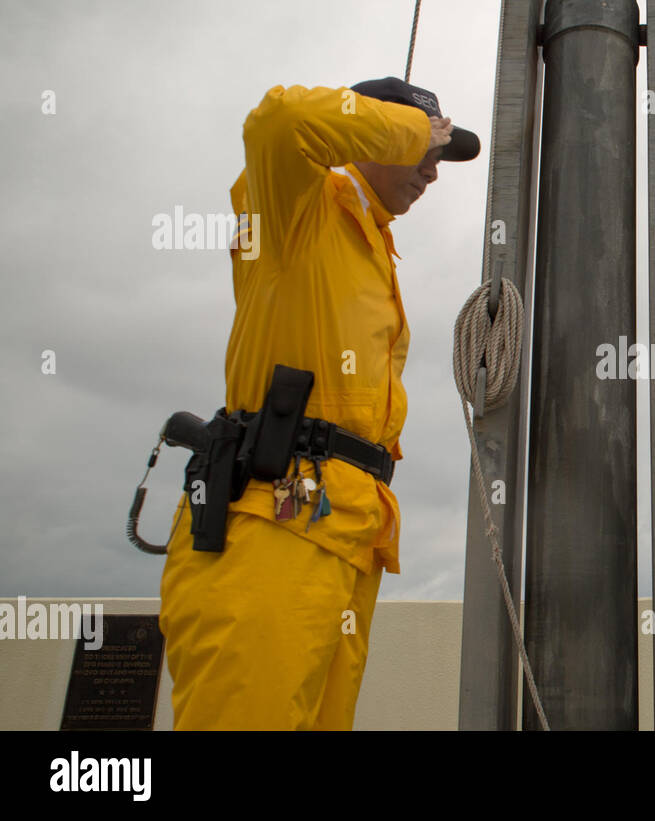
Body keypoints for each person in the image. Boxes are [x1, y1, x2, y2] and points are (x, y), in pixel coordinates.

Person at [158, 77, 480, 730]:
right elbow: (279, 120)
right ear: (374, 133)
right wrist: (410, 126)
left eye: (439, 154)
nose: (432, 170)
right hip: (268, 530)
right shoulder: (296, 206)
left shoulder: (372, 244)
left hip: (342, 540)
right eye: (424, 149)